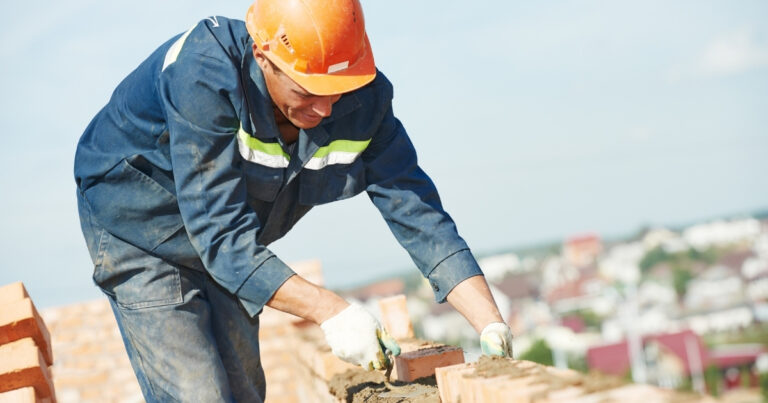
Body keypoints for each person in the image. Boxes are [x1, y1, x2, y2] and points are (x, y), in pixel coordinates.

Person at [74, 0, 514, 401]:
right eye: (306, 91)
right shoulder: (203, 74)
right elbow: (220, 236)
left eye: (334, 90)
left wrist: (489, 322)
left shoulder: (362, 96)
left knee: (244, 390)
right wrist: (332, 311)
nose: (324, 109)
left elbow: (419, 212)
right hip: (139, 226)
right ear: (264, 57)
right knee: (199, 394)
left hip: (230, 239)